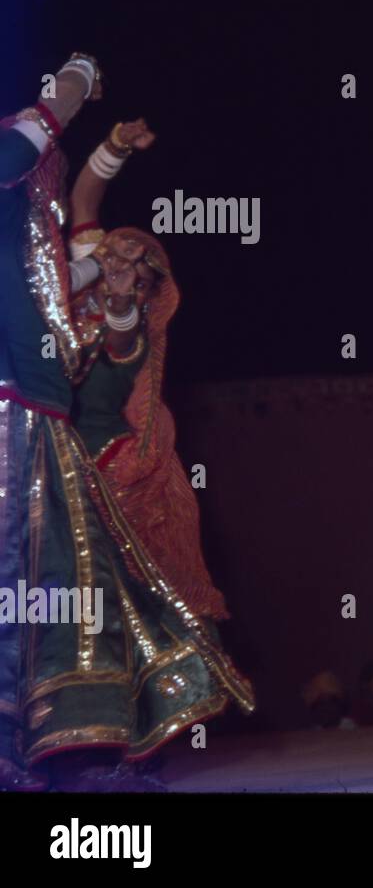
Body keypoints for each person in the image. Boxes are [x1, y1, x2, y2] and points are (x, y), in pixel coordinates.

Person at [0, 59, 253, 792]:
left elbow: (106, 341)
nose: (124, 261)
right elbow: (77, 196)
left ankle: (82, 747)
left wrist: (118, 296)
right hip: (39, 435)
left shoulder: (96, 305)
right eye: (122, 253)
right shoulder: (61, 250)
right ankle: (64, 750)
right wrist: (92, 110)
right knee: (65, 596)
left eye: (142, 268)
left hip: (76, 452)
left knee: (90, 600)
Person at [67, 119, 232, 624]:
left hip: (102, 466)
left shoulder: (129, 332)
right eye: (120, 270)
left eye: (139, 286)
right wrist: (115, 145)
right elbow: (85, 203)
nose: (124, 283)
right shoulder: (82, 276)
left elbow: (119, 342)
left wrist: (121, 303)